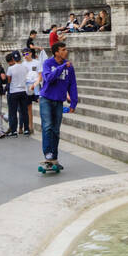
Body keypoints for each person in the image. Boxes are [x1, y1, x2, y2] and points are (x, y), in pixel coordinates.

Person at [37, 40, 79, 171]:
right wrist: (62, 67)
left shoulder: (69, 67)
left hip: (59, 101)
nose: (66, 51)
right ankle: (47, 154)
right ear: (56, 52)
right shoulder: (48, 63)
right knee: (47, 126)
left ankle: (54, 157)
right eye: (63, 50)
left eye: (66, 49)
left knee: (56, 129)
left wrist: (73, 102)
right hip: (46, 99)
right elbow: (48, 78)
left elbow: (72, 85)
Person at [5, 51, 30, 136]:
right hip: (23, 91)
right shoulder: (25, 67)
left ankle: (14, 130)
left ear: (13, 59)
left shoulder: (11, 68)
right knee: (24, 111)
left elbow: (9, 80)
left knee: (13, 112)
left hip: (14, 91)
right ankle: (26, 129)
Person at [23, 49, 41, 134]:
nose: (25, 55)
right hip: (27, 86)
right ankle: (30, 126)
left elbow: (40, 75)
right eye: (23, 54)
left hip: (36, 85)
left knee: (42, 104)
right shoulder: (23, 64)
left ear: (30, 53)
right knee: (28, 107)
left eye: (26, 53)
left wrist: (36, 84)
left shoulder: (37, 62)